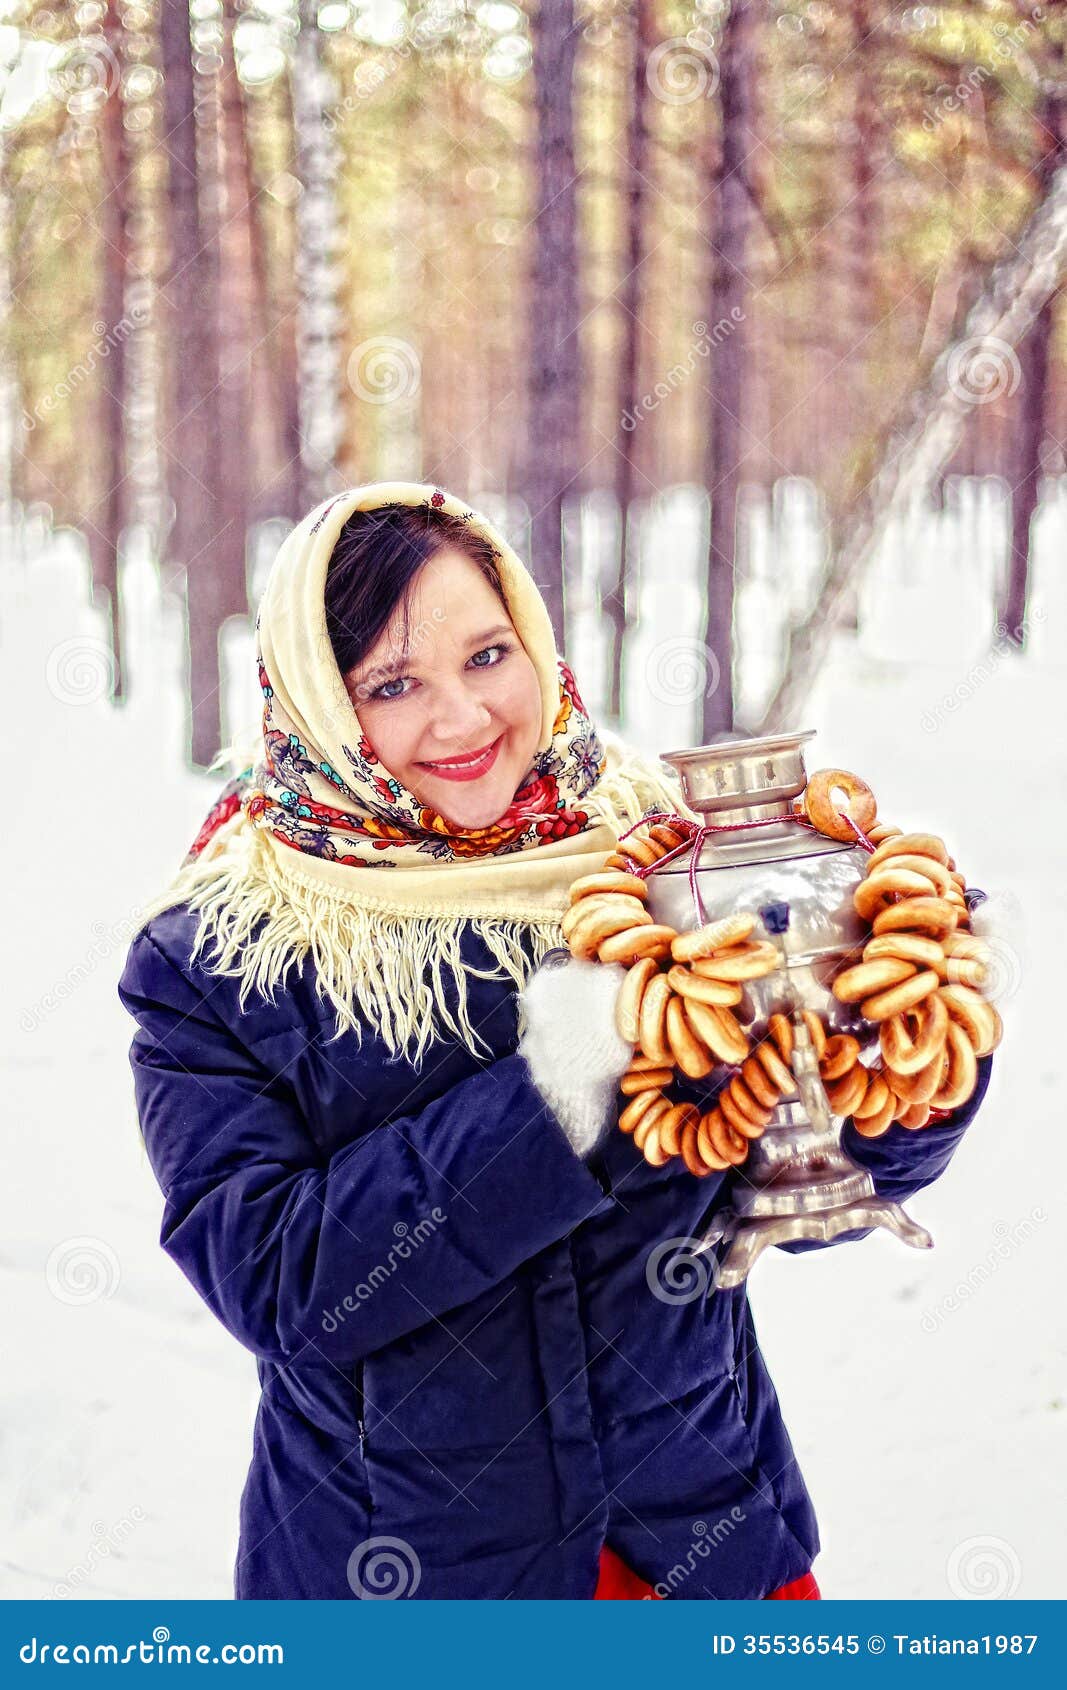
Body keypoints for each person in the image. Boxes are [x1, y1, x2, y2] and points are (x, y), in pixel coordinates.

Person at [117, 481, 993, 1600]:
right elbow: (283, 1280)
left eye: (487, 656)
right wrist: (570, 1077)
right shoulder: (220, 956)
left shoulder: (650, 862)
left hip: (699, 1548)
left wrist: (905, 1043)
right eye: (393, 684)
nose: (464, 718)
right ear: (321, 710)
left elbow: (783, 1184)